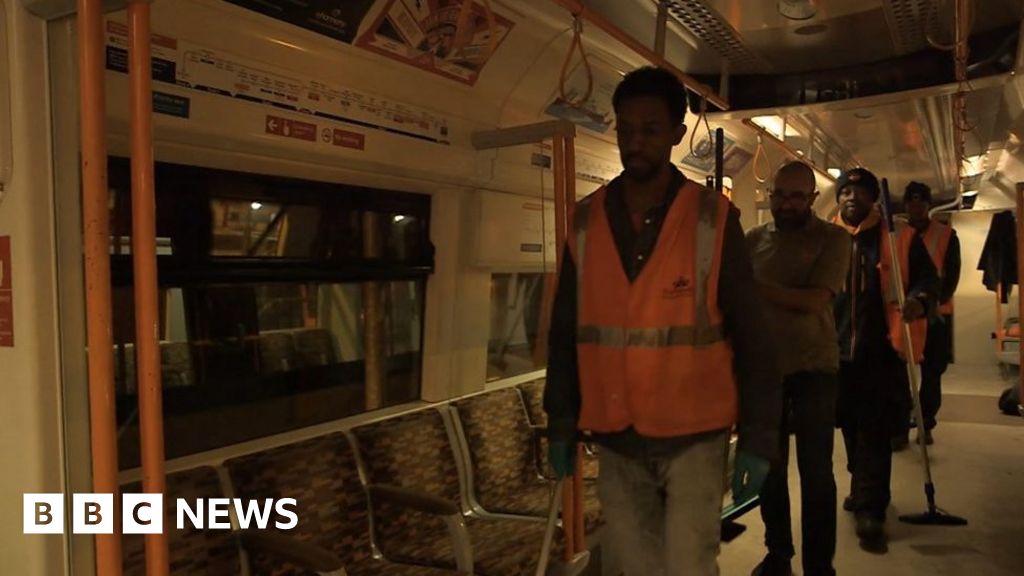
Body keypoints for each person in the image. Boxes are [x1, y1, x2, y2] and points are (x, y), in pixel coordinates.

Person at [543, 66, 782, 576]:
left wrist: (760, 439)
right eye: (626, 129)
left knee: (688, 565)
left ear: (677, 133)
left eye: (650, 130)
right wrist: (560, 421)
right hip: (615, 434)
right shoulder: (585, 222)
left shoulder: (712, 220)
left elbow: (754, 338)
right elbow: (565, 333)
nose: (635, 142)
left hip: (694, 436)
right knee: (633, 565)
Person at [746, 161, 851, 576]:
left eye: (795, 196)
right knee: (770, 471)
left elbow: (814, 301)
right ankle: (779, 554)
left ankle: (819, 566)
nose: (785, 204)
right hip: (766, 372)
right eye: (779, 194)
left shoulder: (834, 239)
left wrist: (751, 287)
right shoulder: (753, 240)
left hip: (814, 369)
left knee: (816, 474)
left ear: (811, 198)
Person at [831, 168, 938, 552]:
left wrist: (919, 300)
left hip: (880, 353)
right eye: (845, 191)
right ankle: (862, 486)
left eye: (860, 192)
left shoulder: (899, 237)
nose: (851, 198)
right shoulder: (826, 237)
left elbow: (929, 281)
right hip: (835, 356)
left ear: (873, 199)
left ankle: (871, 510)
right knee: (847, 427)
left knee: (873, 432)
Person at [898, 181, 960, 446]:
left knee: (932, 372)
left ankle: (926, 421)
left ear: (928, 205)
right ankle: (900, 423)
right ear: (906, 205)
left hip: (936, 312)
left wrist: (932, 302)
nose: (916, 207)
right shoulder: (896, 233)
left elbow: (951, 275)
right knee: (898, 371)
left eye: (921, 202)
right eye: (911, 202)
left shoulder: (946, 235)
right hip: (902, 313)